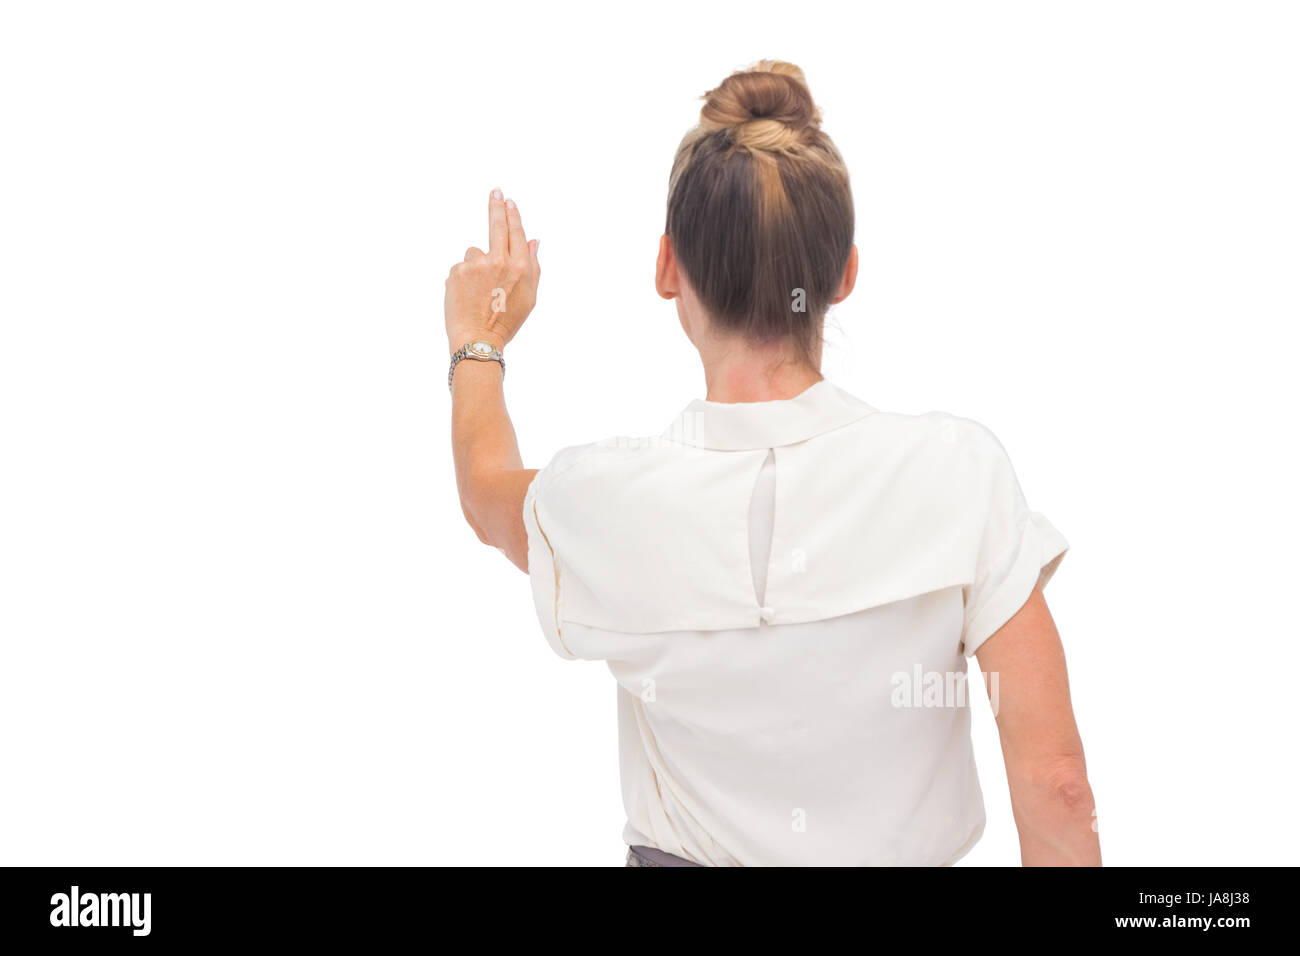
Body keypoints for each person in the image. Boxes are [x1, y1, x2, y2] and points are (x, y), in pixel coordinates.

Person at [445, 60, 1099, 867]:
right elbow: (1057, 783)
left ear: (666, 267)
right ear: (843, 274)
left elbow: (483, 491)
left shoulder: (603, 499)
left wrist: (479, 339)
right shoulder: (959, 475)